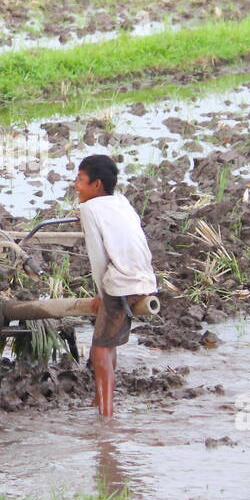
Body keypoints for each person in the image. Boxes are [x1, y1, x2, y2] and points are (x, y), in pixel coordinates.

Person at [73, 154, 157, 418]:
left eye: (80, 180)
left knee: (99, 351)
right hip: (143, 278)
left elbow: (98, 257)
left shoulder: (89, 209)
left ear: (96, 185)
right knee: (109, 345)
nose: (76, 185)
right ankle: (99, 401)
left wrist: (101, 292)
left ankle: (106, 417)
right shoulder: (121, 202)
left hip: (119, 283)